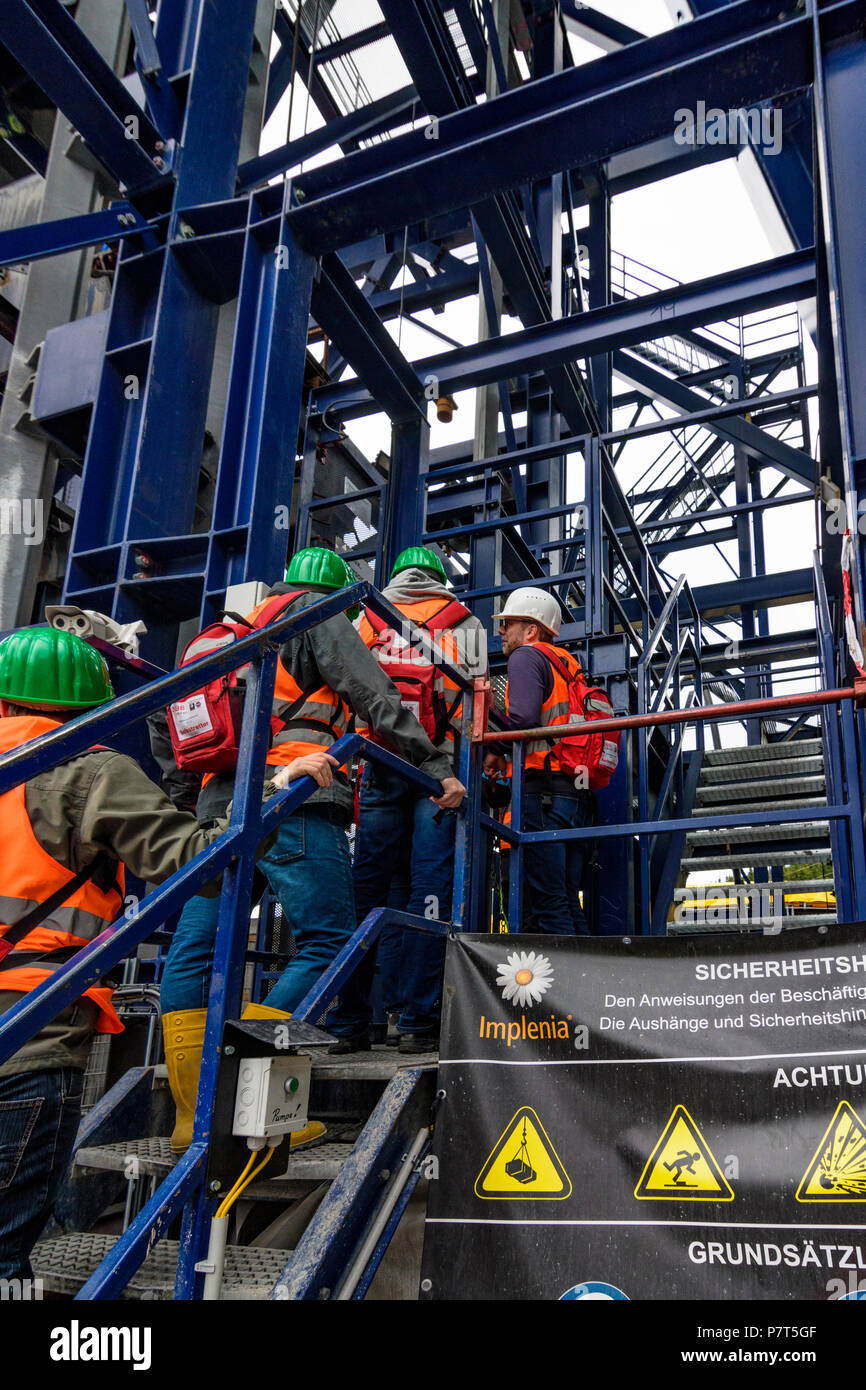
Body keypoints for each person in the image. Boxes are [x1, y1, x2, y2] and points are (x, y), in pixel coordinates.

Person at [0, 626, 327, 1282]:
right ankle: (231, 1069)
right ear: (95, 704)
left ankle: (197, 1097)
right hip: (31, 1036)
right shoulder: (83, 768)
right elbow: (197, 865)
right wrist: (279, 782)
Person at [159, 547, 466, 1136]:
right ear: (338, 593)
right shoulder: (318, 614)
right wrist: (433, 764)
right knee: (329, 941)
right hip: (296, 796)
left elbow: (163, 719)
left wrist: (183, 796)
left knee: (195, 950)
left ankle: (192, 1116)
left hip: (216, 807)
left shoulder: (224, 634)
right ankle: (248, 1094)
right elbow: (373, 693)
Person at [343, 546, 488, 1054]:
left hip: (379, 761)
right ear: (440, 579)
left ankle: (350, 1021)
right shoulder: (465, 621)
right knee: (429, 892)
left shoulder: (369, 614)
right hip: (440, 772)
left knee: (370, 888)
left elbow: (350, 692)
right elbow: (476, 704)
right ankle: (417, 1023)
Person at [484, 587, 595, 935]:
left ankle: (561, 989)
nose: (501, 631)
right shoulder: (567, 664)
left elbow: (523, 722)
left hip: (542, 794)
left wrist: (487, 710)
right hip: (574, 795)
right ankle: (587, 984)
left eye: (509, 624)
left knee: (546, 905)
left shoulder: (526, 656)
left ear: (531, 630)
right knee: (563, 900)